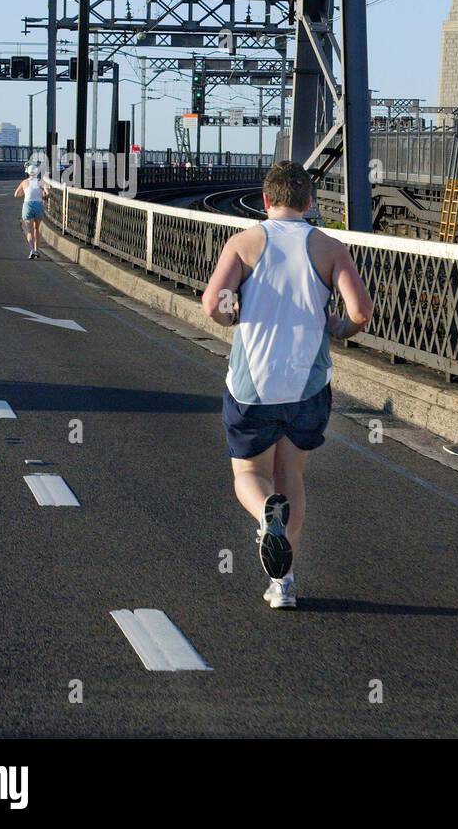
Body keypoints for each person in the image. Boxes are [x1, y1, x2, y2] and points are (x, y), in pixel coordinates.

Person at [201, 161, 373, 609]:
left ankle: (265, 516)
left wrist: (231, 314)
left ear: (266, 200)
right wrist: (338, 328)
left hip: (252, 384)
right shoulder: (330, 247)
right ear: (310, 203)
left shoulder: (243, 244)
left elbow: (212, 303)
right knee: (290, 475)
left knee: (250, 474)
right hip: (307, 386)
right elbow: (360, 312)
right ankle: (285, 583)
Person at [14, 163, 50, 259]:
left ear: (28, 173)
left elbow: (16, 194)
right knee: (37, 229)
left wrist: (24, 192)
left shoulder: (24, 182)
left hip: (28, 205)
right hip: (38, 205)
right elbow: (47, 193)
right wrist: (43, 196)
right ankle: (37, 250)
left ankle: (32, 251)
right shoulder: (41, 182)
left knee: (29, 231)